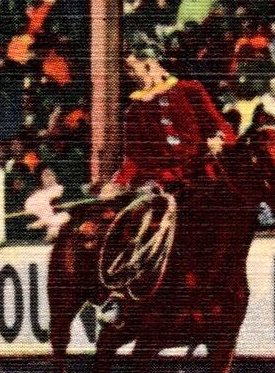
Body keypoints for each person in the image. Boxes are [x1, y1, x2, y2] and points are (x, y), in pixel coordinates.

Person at [96, 33, 236, 322]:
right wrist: (117, 182)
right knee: (141, 224)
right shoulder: (134, 110)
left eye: (134, 68)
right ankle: (121, 293)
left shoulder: (190, 90)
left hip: (201, 178)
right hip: (161, 187)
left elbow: (220, 126)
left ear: (151, 64)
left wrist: (219, 139)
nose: (132, 75)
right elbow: (133, 158)